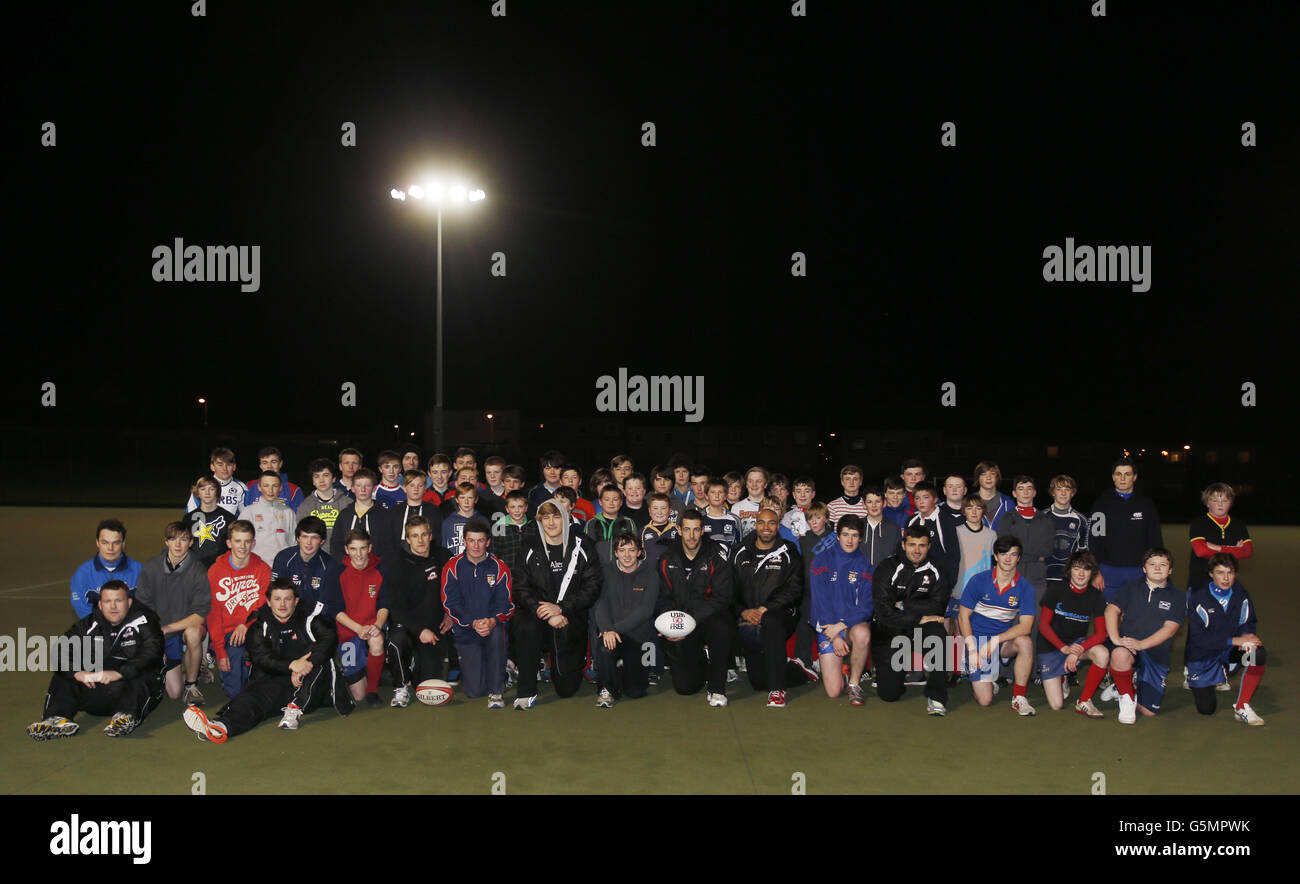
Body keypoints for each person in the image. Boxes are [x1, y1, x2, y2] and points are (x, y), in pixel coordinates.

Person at [182, 577, 344, 741]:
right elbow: (262, 658)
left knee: (321, 660)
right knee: (252, 698)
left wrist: (307, 664)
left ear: (296, 601)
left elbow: (329, 639)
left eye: (287, 599)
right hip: (281, 680)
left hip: (313, 684)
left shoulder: (311, 617)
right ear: (268, 602)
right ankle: (220, 727)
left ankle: (296, 707)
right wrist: (292, 665)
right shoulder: (260, 624)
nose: (282, 604)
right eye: (277, 599)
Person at [28, 581, 165, 740]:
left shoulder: (144, 621)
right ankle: (56, 719)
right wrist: (77, 673)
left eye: (118, 601)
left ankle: (126, 718)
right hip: (98, 689)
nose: (113, 607)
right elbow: (60, 650)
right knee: (64, 674)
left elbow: (152, 653)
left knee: (144, 675)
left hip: (129, 688)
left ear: (129, 602)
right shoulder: (89, 624)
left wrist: (119, 673)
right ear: (100, 605)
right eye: (107, 601)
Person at [514, 500, 602, 707]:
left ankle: (560, 666)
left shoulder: (583, 543)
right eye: (545, 517)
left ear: (565, 518)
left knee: (566, 689)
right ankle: (526, 689)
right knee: (524, 623)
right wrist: (543, 610)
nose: (551, 522)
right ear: (540, 521)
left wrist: (562, 608)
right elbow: (520, 587)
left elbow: (593, 586)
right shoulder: (528, 545)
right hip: (538, 614)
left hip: (569, 616)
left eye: (556, 517)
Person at [731, 508, 812, 708]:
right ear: (755, 525)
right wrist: (743, 611)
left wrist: (765, 608)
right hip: (747, 619)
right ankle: (796, 672)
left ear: (778, 526)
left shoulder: (789, 551)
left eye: (772, 523)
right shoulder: (740, 551)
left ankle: (778, 690)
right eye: (762, 523)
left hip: (780, 615)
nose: (766, 528)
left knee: (771, 621)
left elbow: (795, 589)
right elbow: (728, 588)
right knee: (759, 683)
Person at [655, 509, 735, 706]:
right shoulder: (667, 559)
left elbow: (722, 599)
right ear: (679, 530)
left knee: (722, 626)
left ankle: (717, 688)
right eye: (687, 530)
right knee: (685, 688)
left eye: (696, 530)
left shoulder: (717, 555)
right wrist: (671, 626)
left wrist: (688, 622)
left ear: (702, 531)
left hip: (709, 618)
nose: (692, 535)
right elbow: (662, 598)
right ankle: (702, 661)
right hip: (682, 620)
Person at [871, 527, 951, 715]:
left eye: (922, 545)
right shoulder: (887, 567)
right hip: (892, 629)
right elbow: (884, 611)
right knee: (889, 694)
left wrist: (904, 605)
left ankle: (937, 697)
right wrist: (919, 615)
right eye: (912, 545)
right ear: (903, 544)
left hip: (921, 628)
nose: (917, 550)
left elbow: (938, 606)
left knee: (939, 635)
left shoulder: (937, 569)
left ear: (928, 546)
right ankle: (895, 678)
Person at [1104, 547, 1184, 725]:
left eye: (1163, 564)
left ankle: (1123, 683)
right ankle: (1126, 696)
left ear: (1170, 570)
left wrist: (1142, 644)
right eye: (1152, 564)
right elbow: (1111, 609)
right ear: (1144, 569)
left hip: (1155, 652)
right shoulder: (1130, 587)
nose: (1157, 568)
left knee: (1148, 712)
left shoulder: (1178, 596)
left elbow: (1170, 629)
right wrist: (1116, 639)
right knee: (1119, 654)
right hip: (1129, 647)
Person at [959, 535, 1037, 716]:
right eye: (1003, 554)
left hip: (1002, 642)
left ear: (1019, 558)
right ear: (995, 556)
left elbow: (1025, 627)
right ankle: (985, 673)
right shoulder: (978, 580)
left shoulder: (1025, 587)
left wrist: (995, 641)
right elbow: (963, 617)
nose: (1008, 559)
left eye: (1013, 554)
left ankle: (1019, 698)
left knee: (1025, 642)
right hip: (977, 642)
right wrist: (972, 649)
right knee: (985, 700)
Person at [134, 522, 210, 707]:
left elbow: (200, 614)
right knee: (174, 692)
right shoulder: (151, 567)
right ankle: (194, 667)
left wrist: (168, 628)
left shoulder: (198, 570)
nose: (178, 544)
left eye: (183, 539)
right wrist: (155, 637)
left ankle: (191, 685)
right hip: (160, 632)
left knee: (193, 633)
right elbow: (143, 608)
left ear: (191, 542)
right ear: (165, 542)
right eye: (172, 539)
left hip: (184, 628)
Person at [1185, 553, 1265, 725]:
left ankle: (1242, 706)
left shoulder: (1240, 593)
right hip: (1203, 655)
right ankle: (1211, 674)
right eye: (1220, 572)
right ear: (1211, 574)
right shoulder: (1197, 597)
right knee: (1206, 709)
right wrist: (1234, 641)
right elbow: (1199, 639)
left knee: (1256, 654)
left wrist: (1246, 636)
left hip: (1229, 653)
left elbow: (1248, 622)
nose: (1226, 578)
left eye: (1230, 572)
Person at [441, 518, 514, 707]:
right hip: (466, 630)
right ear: (464, 541)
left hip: (493, 627)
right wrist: (472, 622)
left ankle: (497, 692)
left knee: (498, 633)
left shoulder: (499, 567)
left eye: (480, 540)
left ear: (488, 542)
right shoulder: (452, 567)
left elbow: (505, 604)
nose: (476, 545)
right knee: (475, 691)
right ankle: (498, 670)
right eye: (471, 540)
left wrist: (491, 621)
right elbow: (451, 604)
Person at [385, 516, 455, 706]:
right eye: (415, 536)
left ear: (431, 536)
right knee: (395, 640)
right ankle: (401, 687)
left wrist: (450, 613)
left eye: (424, 534)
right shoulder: (398, 564)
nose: (420, 540)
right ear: (407, 539)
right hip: (408, 626)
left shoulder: (443, 556)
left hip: (434, 628)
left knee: (426, 684)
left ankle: (415, 666)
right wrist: (419, 630)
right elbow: (396, 609)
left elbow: (455, 590)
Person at [810, 515, 874, 705]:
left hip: (850, 625)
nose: (849, 540)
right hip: (828, 627)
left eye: (854, 535)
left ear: (860, 538)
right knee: (833, 691)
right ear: (837, 536)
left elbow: (867, 606)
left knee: (863, 634)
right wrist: (834, 636)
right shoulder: (822, 560)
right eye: (845, 535)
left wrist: (842, 626)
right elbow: (820, 601)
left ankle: (854, 683)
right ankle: (844, 676)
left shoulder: (865, 566)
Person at [1036, 551, 1110, 717]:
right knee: (1056, 704)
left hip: (1076, 644)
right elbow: (1043, 625)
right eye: (1077, 568)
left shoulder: (1096, 596)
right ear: (1070, 570)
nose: (1081, 574)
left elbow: (1101, 635)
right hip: (1052, 646)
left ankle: (1084, 701)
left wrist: (1077, 650)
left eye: (1086, 569)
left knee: (1102, 653)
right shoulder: (1056, 589)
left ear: (1092, 573)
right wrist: (1063, 649)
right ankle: (1062, 677)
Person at [591, 532, 660, 707]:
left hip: (638, 637)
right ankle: (606, 689)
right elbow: (601, 604)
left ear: (639, 552)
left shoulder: (650, 574)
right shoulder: (606, 571)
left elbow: (645, 611)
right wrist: (607, 629)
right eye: (622, 550)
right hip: (612, 634)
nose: (627, 555)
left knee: (636, 691)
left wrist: (615, 629)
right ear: (615, 552)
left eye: (632, 550)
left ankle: (620, 669)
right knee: (604, 647)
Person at [325, 529, 390, 709]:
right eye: (353, 549)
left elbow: (384, 604)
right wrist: (357, 629)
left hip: (372, 626)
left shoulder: (381, 569)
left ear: (370, 547)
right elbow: (335, 610)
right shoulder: (336, 572)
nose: (359, 554)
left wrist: (377, 625)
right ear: (346, 550)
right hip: (348, 632)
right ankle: (361, 671)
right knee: (357, 696)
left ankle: (373, 690)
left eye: (363, 548)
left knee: (377, 640)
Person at [206, 520, 271, 699]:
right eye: (237, 541)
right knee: (235, 692)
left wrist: (245, 625)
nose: (242, 546)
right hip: (228, 634)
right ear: (229, 543)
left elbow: (263, 606)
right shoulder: (216, 571)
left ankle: (252, 667)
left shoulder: (263, 569)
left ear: (253, 543)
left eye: (247, 541)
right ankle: (216, 654)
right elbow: (213, 615)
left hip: (254, 629)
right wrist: (220, 651)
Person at [1090, 458, 1163, 603]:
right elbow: (1094, 541)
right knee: (1107, 618)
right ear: (1113, 477)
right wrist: (1095, 572)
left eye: (1127, 474)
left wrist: (1155, 569)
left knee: (1136, 619)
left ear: (1135, 477)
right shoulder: (1101, 505)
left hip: (1138, 571)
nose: (1122, 478)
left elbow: (1155, 542)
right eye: (1118, 474)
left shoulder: (1146, 505)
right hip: (1108, 571)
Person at [270, 516, 343, 616]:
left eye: (314, 537)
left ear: (322, 541)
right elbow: (276, 596)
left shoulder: (330, 566)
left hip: (317, 619)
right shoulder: (283, 558)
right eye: (305, 536)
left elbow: (328, 606)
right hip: (287, 616)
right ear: (298, 538)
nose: (309, 542)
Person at [1187, 483, 1254, 591]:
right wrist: (1234, 550)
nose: (1220, 504)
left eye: (1225, 501)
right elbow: (1201, 551)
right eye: (1215, 501)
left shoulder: (1238, 525)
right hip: (1200, 583)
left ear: (1231, 503)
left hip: (1228, 584)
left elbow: (1247, 551)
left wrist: (1218, 548)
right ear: (1207, 503)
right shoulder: (1198, 523)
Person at [71, 519, 142, 618]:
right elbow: (82, 609)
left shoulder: (140, 571)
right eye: (105, 542)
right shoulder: (82, 574)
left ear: (123, 544)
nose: (110, 548)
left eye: (116, 543)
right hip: (97, 631)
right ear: (97, 543)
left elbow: (147, 606)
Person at [330, 469, 398, 564]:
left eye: (367, 485)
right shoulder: (344, 515)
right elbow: (336, 545)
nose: (363, 490)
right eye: (358, 485)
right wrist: (346, 563)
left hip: (376, 570)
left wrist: (378, 566)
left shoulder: (384, 515)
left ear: (374, 488)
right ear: (352, 488)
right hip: (349, 570)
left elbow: (390, 547)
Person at [237, 472, 297, 559]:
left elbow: (293, 542)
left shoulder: (288, 512)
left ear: (280, 488)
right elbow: (240, 542)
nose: (270, 490)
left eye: (275, 486)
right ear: (259, 487)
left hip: (282, 566)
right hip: (257, 566)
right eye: (266, 485)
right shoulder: (248, 512)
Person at [182, 476, 236, 568]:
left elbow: (233, 546)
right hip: (195, 568)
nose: (207, 493)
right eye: (203, 489)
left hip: (220, 568)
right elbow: (184, 544)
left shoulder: (229, 518)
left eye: (211, 489)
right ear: (198, 493)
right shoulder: (188, 518)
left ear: (217, 492)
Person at [297, 458, 352, 549]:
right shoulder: (305, 506)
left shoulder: (348, 503)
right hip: (315, 556)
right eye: (316, 476)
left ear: (333, 478)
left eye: (326, 475)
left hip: (342, 556)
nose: (321, 480)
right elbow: (301, 537)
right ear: (313, 481)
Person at [1044, 474, 1090, 584]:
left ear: (1072, 493)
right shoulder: (1041, 517)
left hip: (1069, 579)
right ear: (1052, 492)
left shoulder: (1081, 520)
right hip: (1043, 578)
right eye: (1059, 489)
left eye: (1067, 489)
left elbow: (1084, 553)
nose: (1063, 493)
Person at [391, 469, 444, 552]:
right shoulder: (394, 512)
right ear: (404, 488)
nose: (416, 489)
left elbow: (438, 539)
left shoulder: (434, 511)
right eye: (412, 485)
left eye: (420, 485)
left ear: (425, 488)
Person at [185, 447, 246, 514]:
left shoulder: (241, 488)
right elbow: (190, 514)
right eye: (220, 465)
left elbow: (246, 515)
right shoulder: (202, 485)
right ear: (212, 467)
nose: (224, 468)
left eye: (228, 465)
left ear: (234, 467)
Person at [701, 478, 743, 552]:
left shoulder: (734, 519)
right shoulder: (699, 517)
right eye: (713, 492)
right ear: (706, 496)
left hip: (728, 562)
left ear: (725, 496)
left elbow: (739, 547)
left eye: (720, 492)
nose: (716, 495)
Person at [731, 466, 770, 537]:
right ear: (746, 484)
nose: (754, 484)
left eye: (758, 481)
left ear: (765, 484)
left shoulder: (772, 505)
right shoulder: (736, 507)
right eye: (750, 481)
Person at [826, 464, 867, 530]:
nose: (851, 482)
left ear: (860, 482)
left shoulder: (868, 506)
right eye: (847, 479)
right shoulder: (832, 507)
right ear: (842, 482)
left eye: (855, 479)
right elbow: (827, 534)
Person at [527, 450, 566, 515]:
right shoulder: (533, 493)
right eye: (548, 468)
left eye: (556, 468)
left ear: (562, 470)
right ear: (542, 471)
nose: (552, 472)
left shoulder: (570, 491)